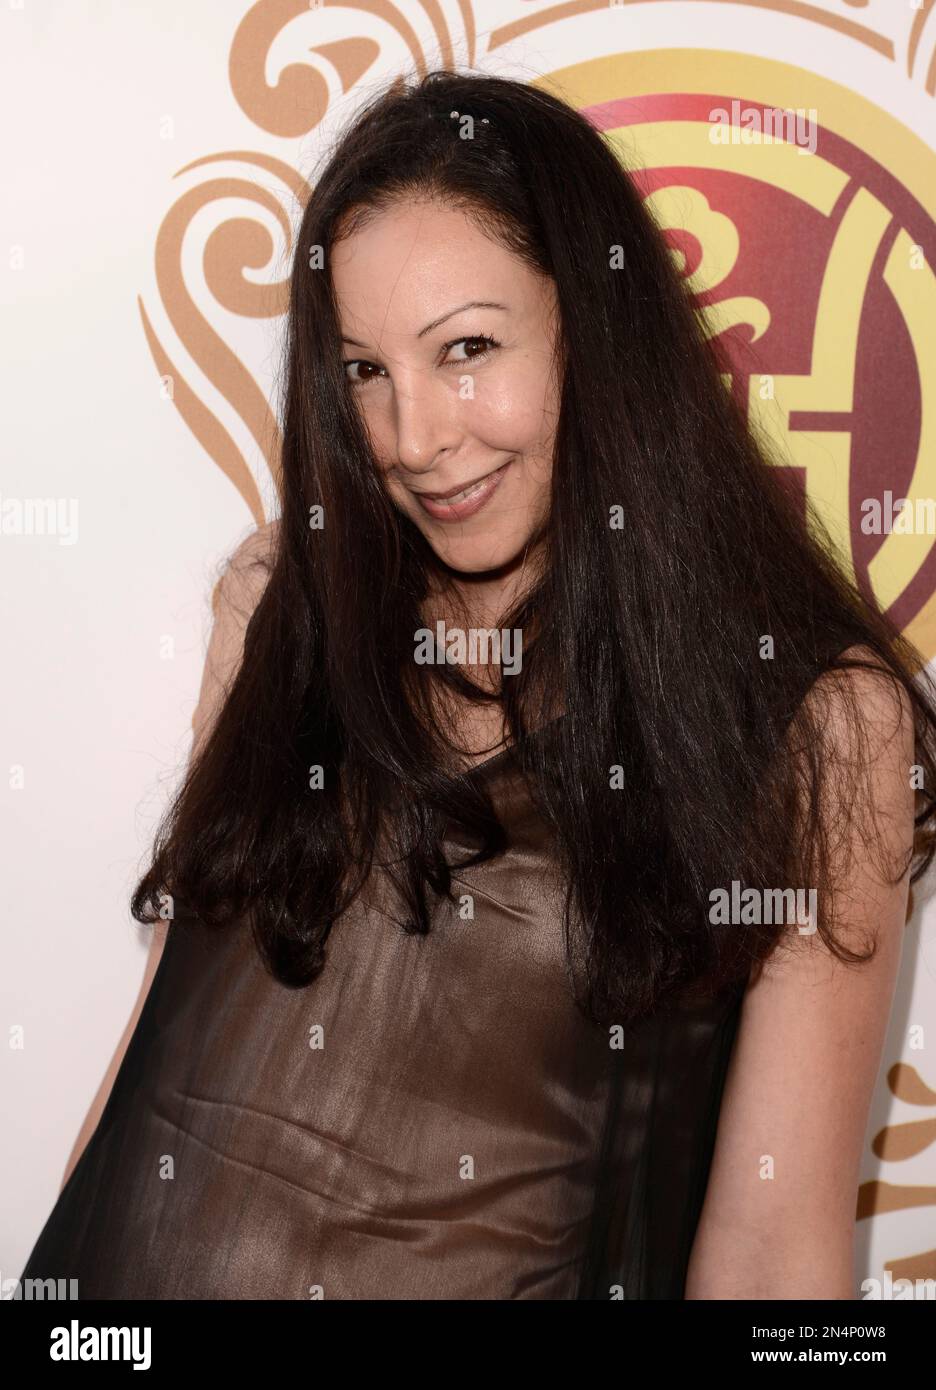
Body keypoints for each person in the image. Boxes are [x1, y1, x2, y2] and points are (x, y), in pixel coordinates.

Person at [20, 68, 936, 1300]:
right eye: (363, 371)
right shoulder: (283, 612)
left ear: (595, 330)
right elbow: (158, 1070)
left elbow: (776, 1260)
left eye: (467, 349)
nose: (412, 435)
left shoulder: (816, 724)